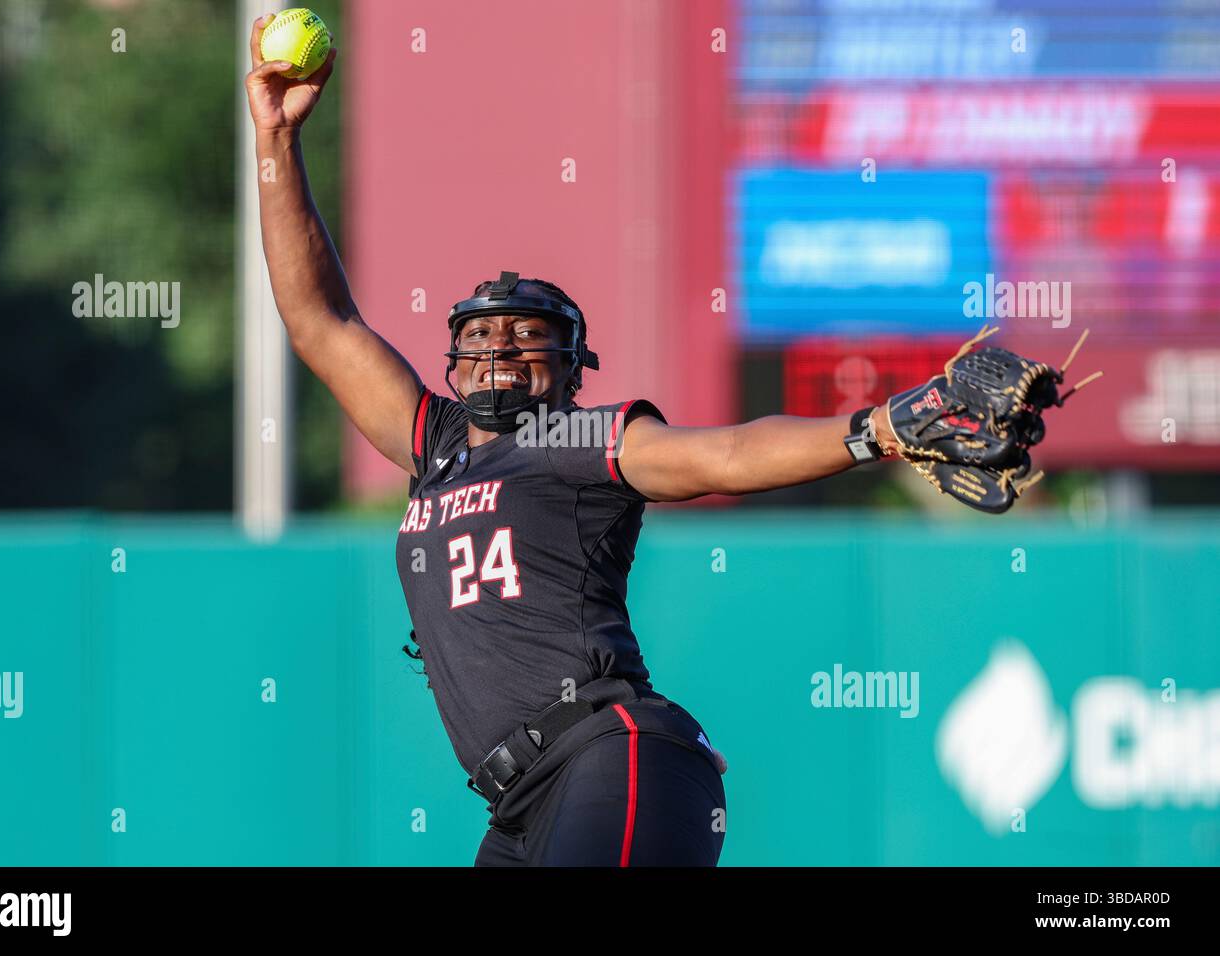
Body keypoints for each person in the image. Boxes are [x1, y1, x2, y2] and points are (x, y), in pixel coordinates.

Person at [244, 16, 901, 866]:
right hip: (517, 804)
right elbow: (317, 318)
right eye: (482, 335)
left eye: (525, 336)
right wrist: (276, 140)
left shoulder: (575, 438)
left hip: (614, 753)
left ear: (570, 367)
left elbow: (726, 455)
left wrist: (876, 429)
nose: (500, 350)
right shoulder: (436, 443)